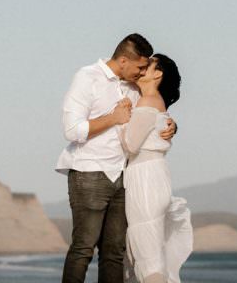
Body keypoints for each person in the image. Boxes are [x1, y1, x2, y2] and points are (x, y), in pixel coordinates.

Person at [56, 34, 178, 283]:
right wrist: (113, 118)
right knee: (83, 248)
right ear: (124, 61)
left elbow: (152, 114)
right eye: (140, 66)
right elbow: (72, 130)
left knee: (114, 253)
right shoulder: (87, 77)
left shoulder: (134, 87)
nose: (142, 72)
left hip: (125, 178)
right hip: (90, 173)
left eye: (146, 68)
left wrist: (172, 125)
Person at [120, 54, 192, 283]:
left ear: (157, 74)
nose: (140, 68)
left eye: (146, 66)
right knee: (150, 249)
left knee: (147, 250)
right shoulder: (153, 101)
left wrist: (120, 118)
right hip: (153, 174)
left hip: (145, 178)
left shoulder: (148, 101)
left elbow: (130, 144)